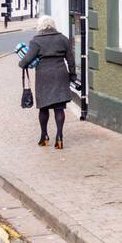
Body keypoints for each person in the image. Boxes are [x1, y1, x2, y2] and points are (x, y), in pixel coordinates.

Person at [17, 15, 77, 149]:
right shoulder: (63, 39)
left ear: (40, 26)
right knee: (59, 108)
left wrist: (21, 63)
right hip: (60, 75)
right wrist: (72, 76)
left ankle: (44, 136)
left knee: (43, 108)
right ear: (52, 25)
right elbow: (71, 60)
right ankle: (60, 137)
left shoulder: (36, 41)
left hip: (44, 77)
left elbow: (27, 60)